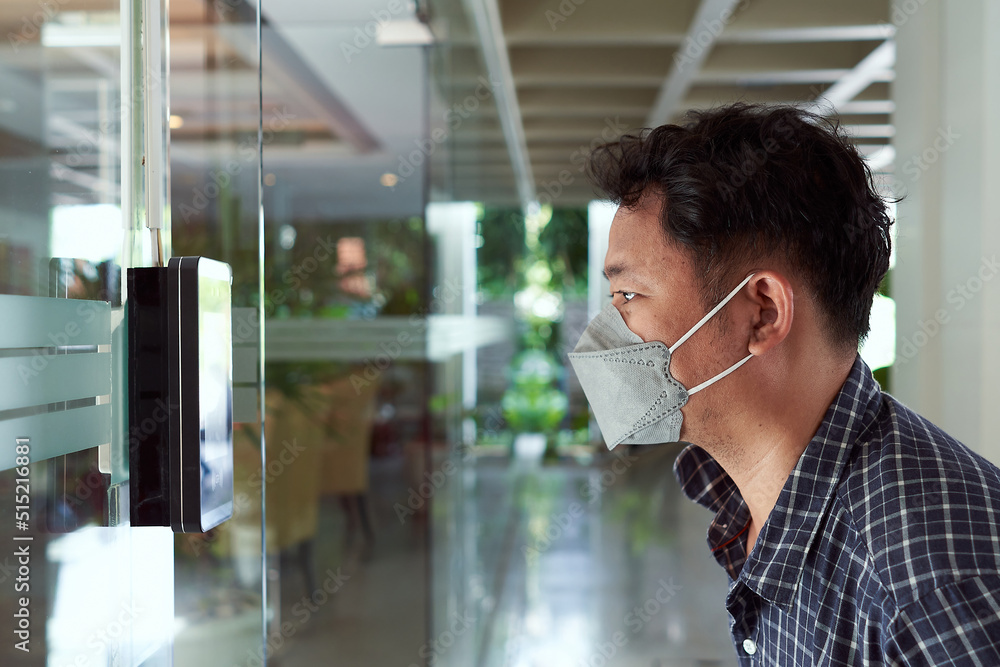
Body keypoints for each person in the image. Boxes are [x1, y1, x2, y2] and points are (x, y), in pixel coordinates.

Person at [568, 102, 1000, 665]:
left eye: (629, 296)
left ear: (763, 313)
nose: (606, 329)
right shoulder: (757, 504)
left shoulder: (926, 589)